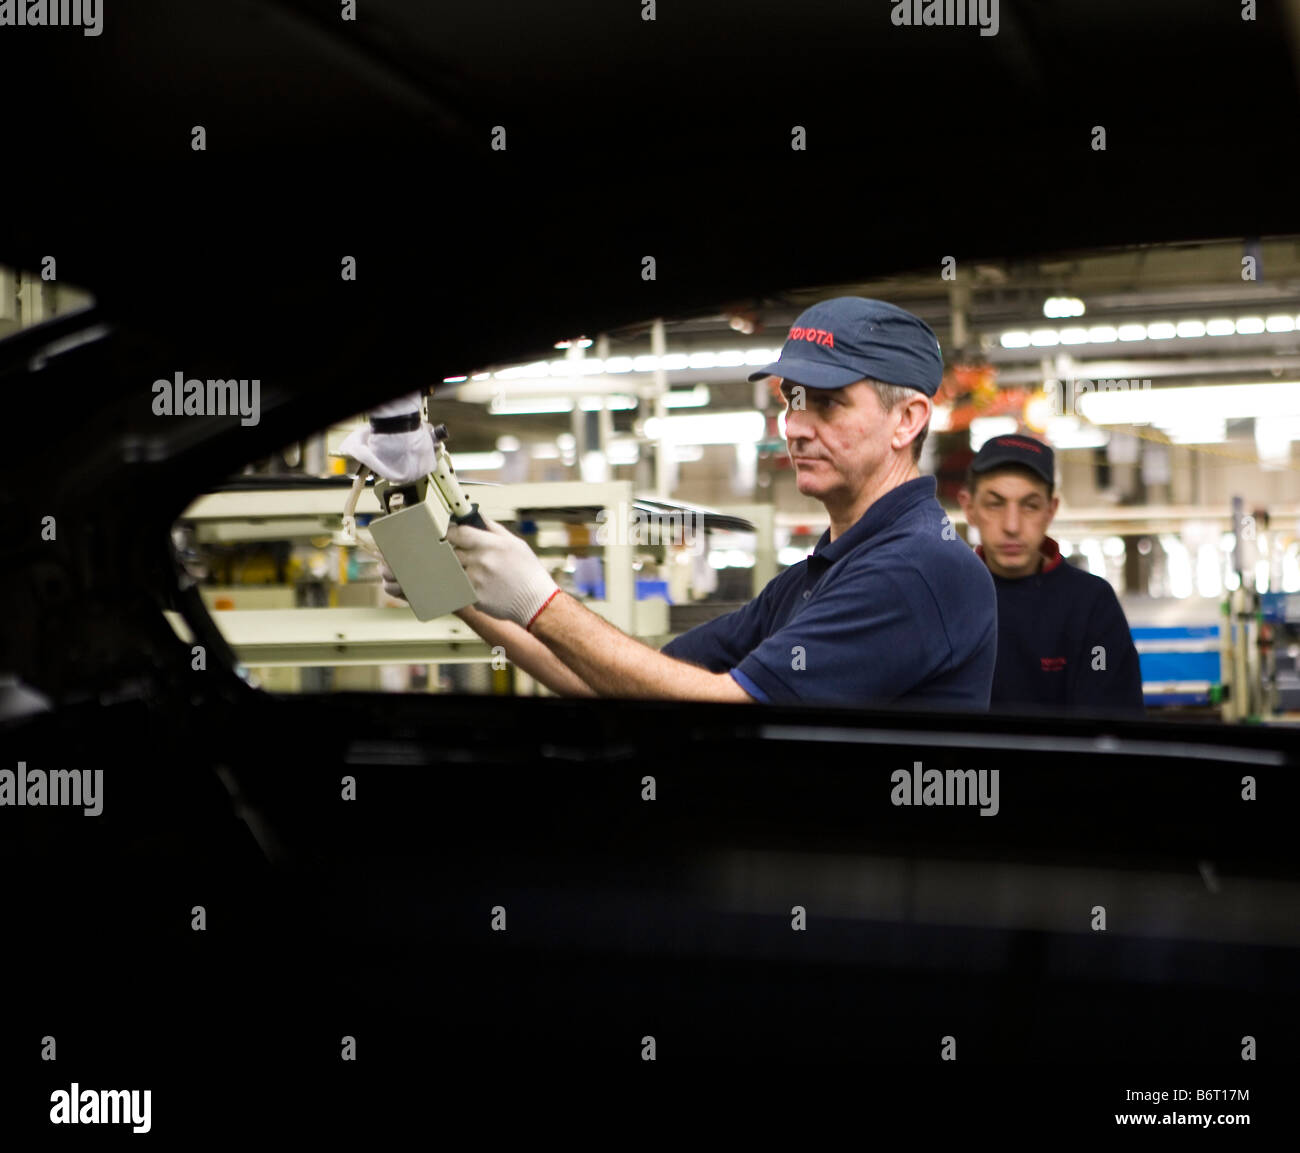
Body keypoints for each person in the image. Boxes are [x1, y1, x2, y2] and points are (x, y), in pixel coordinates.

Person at [412, 297, 998, 707]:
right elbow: (608, 683)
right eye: (792, 400)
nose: (794, 426)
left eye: (826, 403)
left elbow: (733, 705)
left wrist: (539, 598)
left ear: (908, 420)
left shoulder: (920, 568)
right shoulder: (814, 578)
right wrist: (459, 593)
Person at [956, 433, 1145, 715]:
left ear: (1050, 510)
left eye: (1030, 505)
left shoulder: (1091, 605)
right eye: (995, 504)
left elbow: (1114, 730)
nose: (1012, 525)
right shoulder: (946, 600)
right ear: (969, 508)